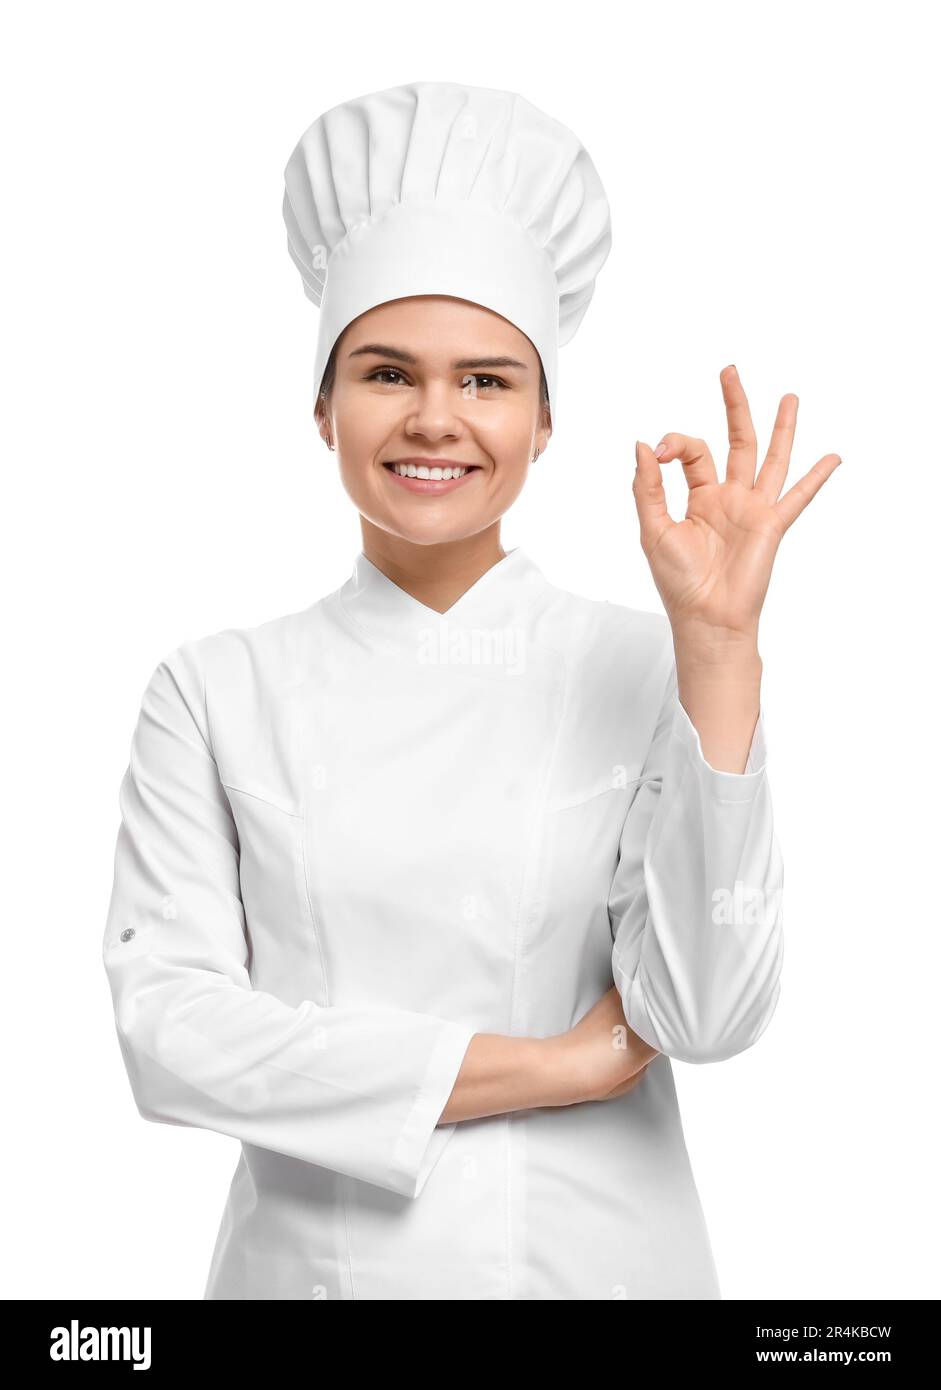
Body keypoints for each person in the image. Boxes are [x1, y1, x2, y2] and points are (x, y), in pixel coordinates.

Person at [102, 80, 840, 1301]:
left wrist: (717, 641)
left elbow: (704, 1016)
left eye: (488, 381)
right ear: (323, 405)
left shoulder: (641, 661)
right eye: (388, 372)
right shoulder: (214, 689)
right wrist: (558, 1064)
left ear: (545, 422)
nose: (435, 419)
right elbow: (172, 1040)